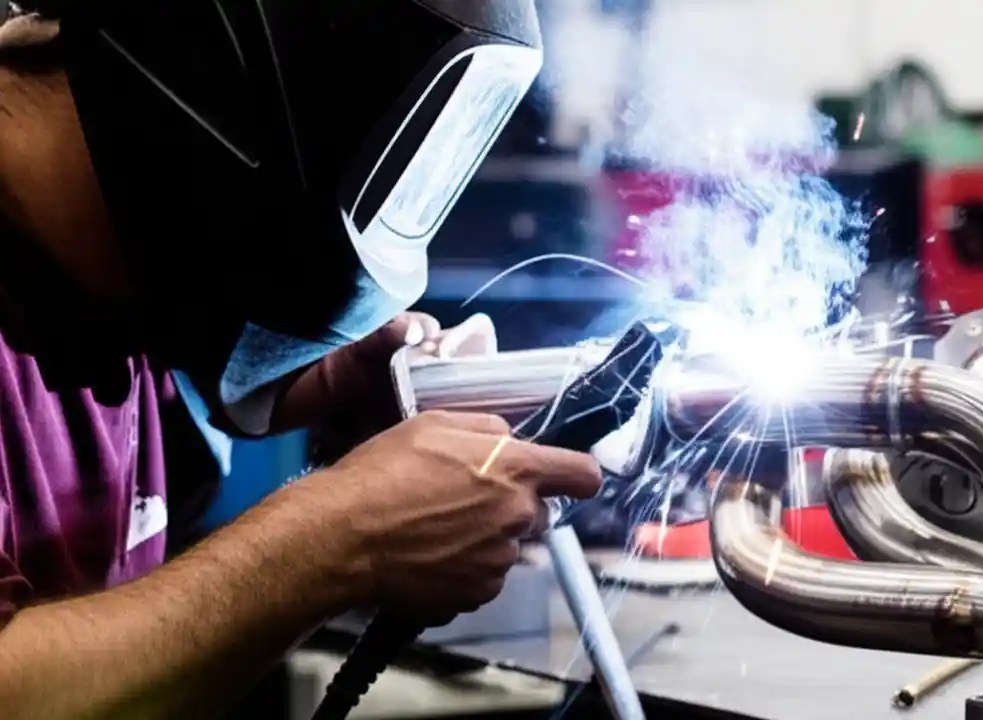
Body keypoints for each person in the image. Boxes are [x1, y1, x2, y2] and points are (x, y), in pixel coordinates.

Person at [0, 3, 601, 718]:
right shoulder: (129, 218)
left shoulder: (117, 244)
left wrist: (321, 375)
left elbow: (185, 363)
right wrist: (340, 540)